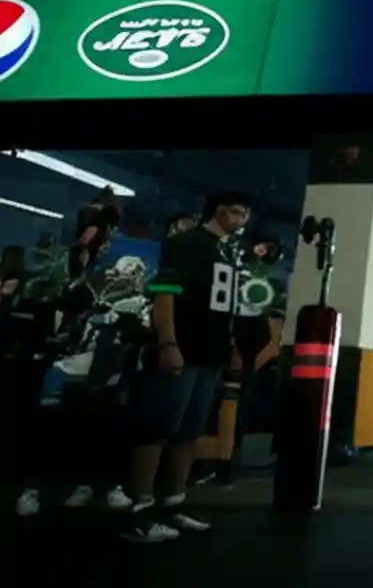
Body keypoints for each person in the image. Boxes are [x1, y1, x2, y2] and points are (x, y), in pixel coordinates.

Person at [121, 191, 252, 542]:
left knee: (189, 432)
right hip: (183, 349)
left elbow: (225, 306)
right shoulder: (185, 243)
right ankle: (139, 512)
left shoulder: (227, 253)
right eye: (237, 213)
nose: (242, 220)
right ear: (219, 212)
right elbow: (165, 294)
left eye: (245, 215)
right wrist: (168, 343)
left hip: (211, 354)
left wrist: (232, 346)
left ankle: (171, 505)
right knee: (156, 429)